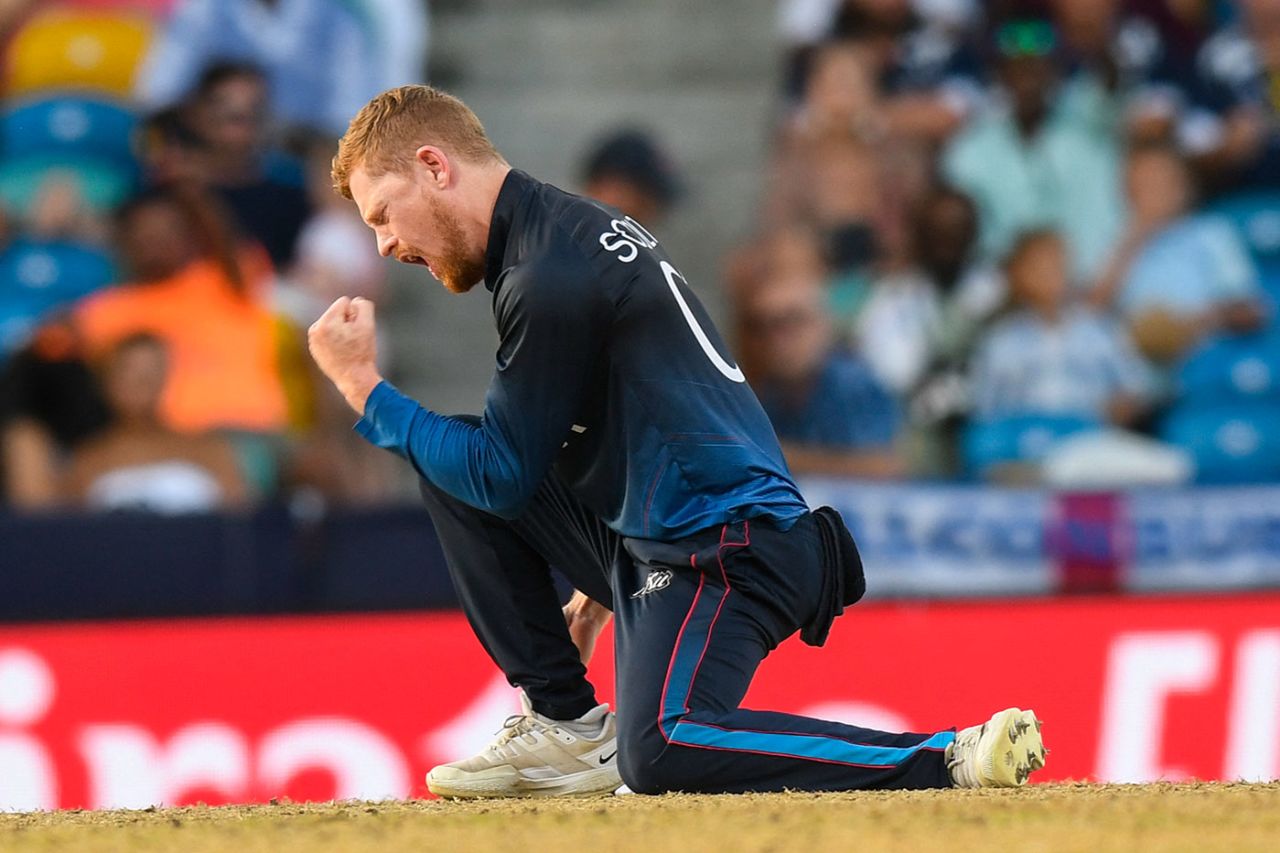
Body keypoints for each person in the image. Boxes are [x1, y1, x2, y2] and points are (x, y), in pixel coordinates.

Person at [307, 85, 1047, 798]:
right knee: (452, 458)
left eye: (383, 214)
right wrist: (601, 582)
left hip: (728, 545)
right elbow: (603, 411)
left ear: (435, 166)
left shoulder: (546, 272)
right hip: (667, 532)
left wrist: (364, 390)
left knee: (661, 746)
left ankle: (942, 756)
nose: (385, 244)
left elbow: (502, 475)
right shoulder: (554, 235)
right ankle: (564, 719)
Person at [64, 333, 248, 512]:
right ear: (105, 380)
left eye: (152, 371)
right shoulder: (87, 462)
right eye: (129, 371)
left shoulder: (210, 450)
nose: (142, 382)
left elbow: (240, 525)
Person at [744, 274, 903, 479]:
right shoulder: (766, 394)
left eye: (793, 320)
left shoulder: (853, 383)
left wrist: (787, 458)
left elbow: (885, 467)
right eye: (763, 327)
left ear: (823, 324)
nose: (778, 339)